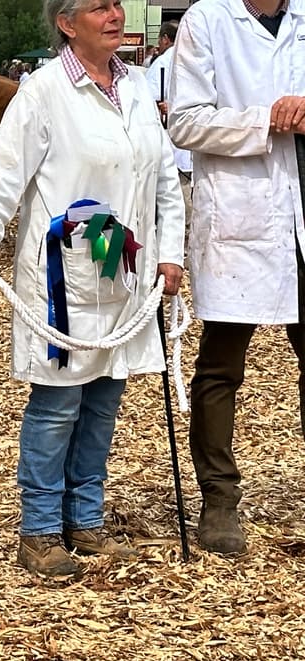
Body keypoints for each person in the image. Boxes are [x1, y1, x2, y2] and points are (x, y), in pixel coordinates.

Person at [0, 0, 185, 577]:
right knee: (58, 403)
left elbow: (162, 181)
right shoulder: (43, 92)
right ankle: (38, 532)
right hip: (65, 276)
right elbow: (1, 175)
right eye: (100, 6)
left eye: (117, 5)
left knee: (104, 399)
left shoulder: (136, 88)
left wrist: (171, 254)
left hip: (124, 274)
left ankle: (85, 520)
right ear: (66, 22)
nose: (115, 14)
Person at [167, 0, 305, 555]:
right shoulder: (208, 20)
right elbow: (185, 122)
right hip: (241, 215)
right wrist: (265, 117)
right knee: (221, 366)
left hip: (300, 212)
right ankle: (218, 498)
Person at [145, 21, 191, 180]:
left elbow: (148, 101)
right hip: (197, 152)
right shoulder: (195, 57)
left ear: (165, 39)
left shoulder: (162, 63)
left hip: (172, 149)